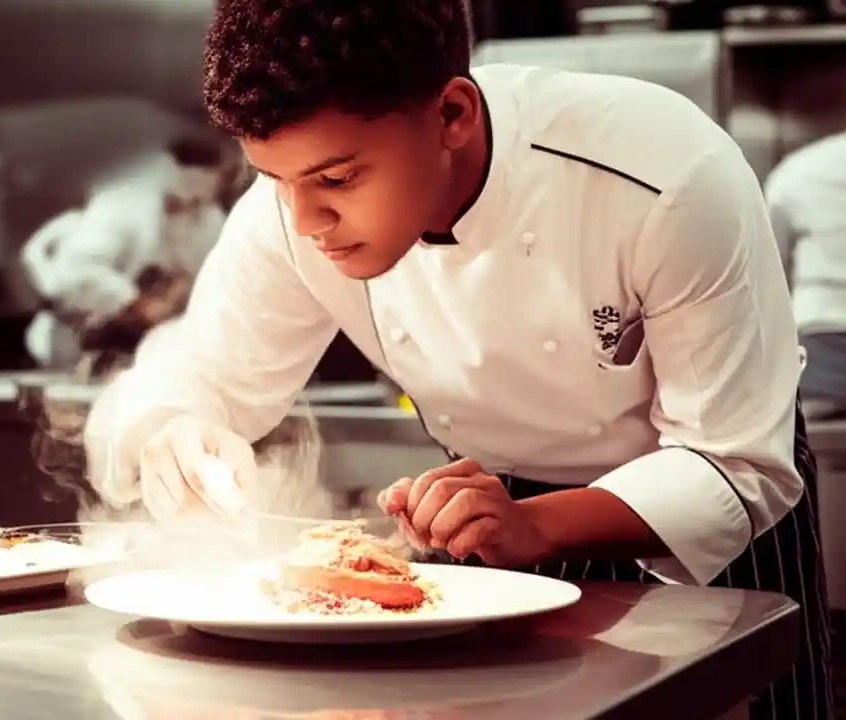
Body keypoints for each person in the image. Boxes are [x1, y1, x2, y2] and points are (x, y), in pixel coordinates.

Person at [82, 2, 833, 717]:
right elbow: (201, 375)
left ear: (452, 114)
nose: (305, 221)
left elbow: (737, 463)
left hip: (707, 545)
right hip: (486, 530)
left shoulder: (667, 172)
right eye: (275, 181)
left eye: (337, 180)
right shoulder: (288, 213)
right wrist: (177, 431)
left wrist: (536, 523)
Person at [20, 137, 230, 373]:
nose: (187, 211)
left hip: (157, 353)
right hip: (73, 346)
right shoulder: (121, 206)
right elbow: (75, 270)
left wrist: (180, 291)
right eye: (177, 204)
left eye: (196, 204)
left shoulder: (212, 223)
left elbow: (213, 282)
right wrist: (136, 304)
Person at [766, 132, 846, 419]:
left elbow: (769, 270)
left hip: (820, 347)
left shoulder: (798, 171)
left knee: (815, 437)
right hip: (819, 346)